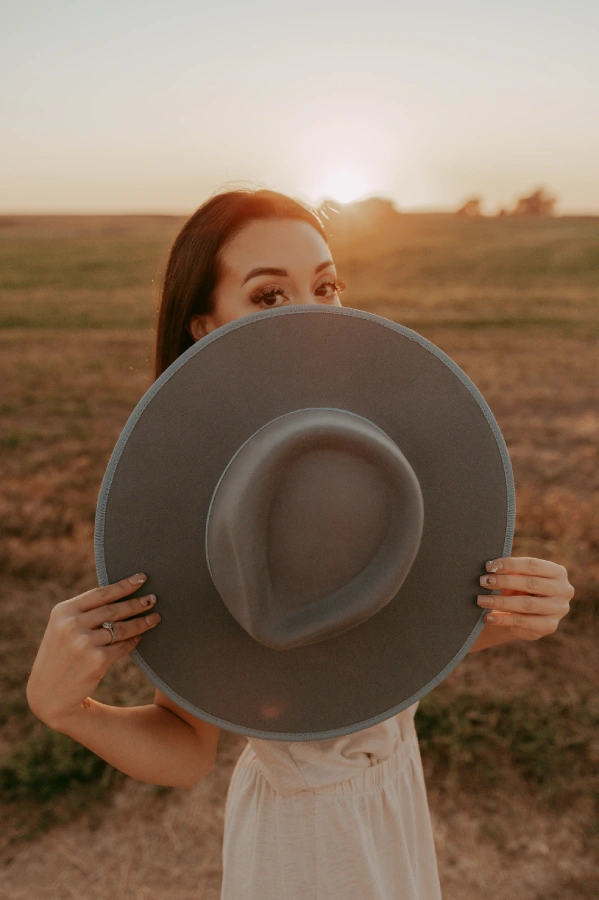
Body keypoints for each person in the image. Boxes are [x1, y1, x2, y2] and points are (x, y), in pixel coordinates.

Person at [27, 188, 575, 899]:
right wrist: (66, 709)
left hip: (396, 806)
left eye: (325, 285)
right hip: (301, 850)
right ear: (204, 324)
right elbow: (189, 752)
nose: (313, 313)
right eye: (269, 298)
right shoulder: (199, 506)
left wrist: (513, 612)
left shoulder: (364, 454)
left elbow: (375, 645)